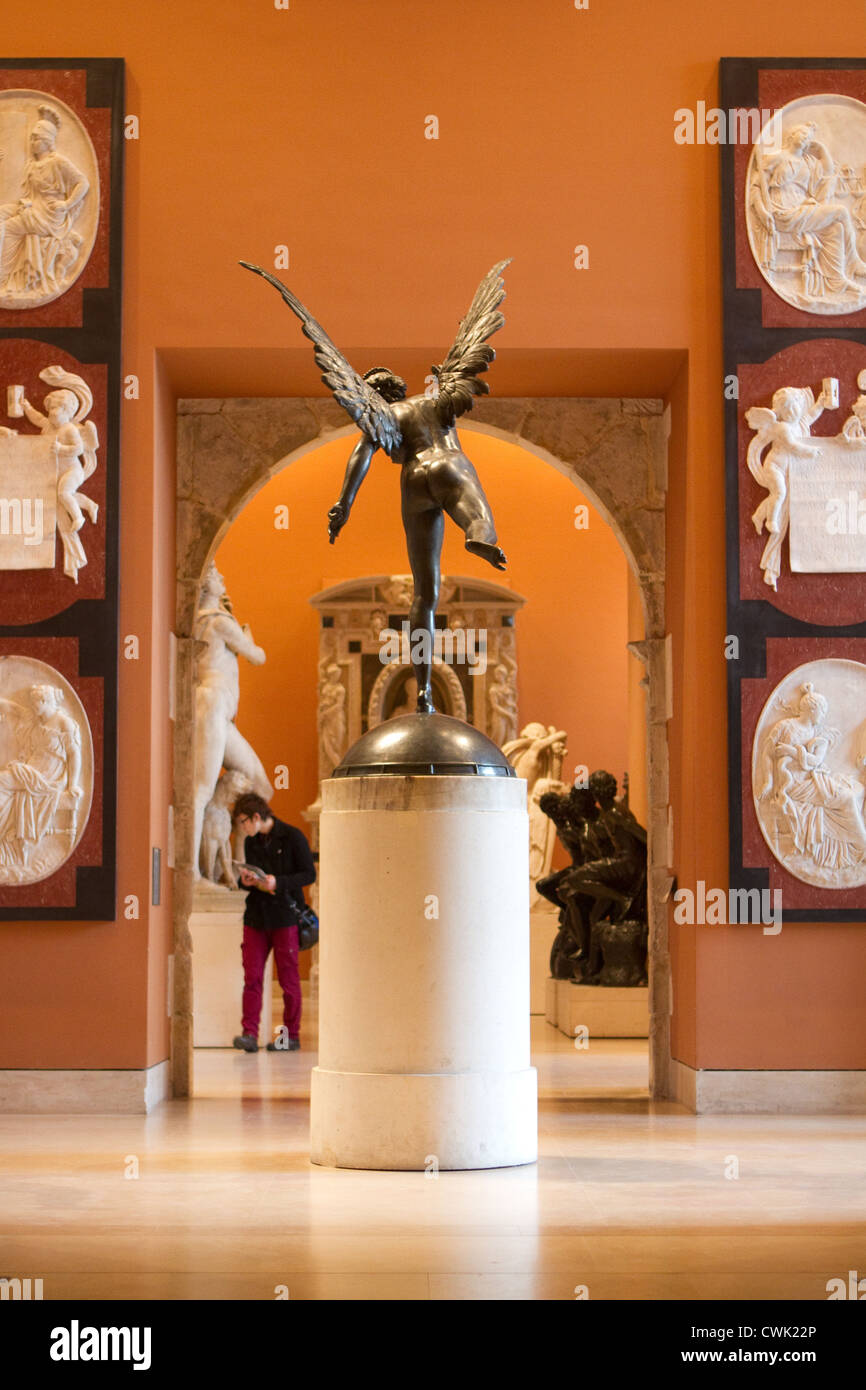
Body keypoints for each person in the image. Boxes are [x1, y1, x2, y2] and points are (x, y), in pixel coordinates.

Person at [231, 792, 316, 1053]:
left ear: (256, 817)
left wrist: (278, 882)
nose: (242, 828)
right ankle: (249, 1034)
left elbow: (308, 874)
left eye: (243, 822)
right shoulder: (252, 842)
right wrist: (245, 881)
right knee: (252, 977)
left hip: (285, 917)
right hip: (256, 917)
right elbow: (252, 879)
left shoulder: (292, 836)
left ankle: (289, 1037)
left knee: (289, 980)